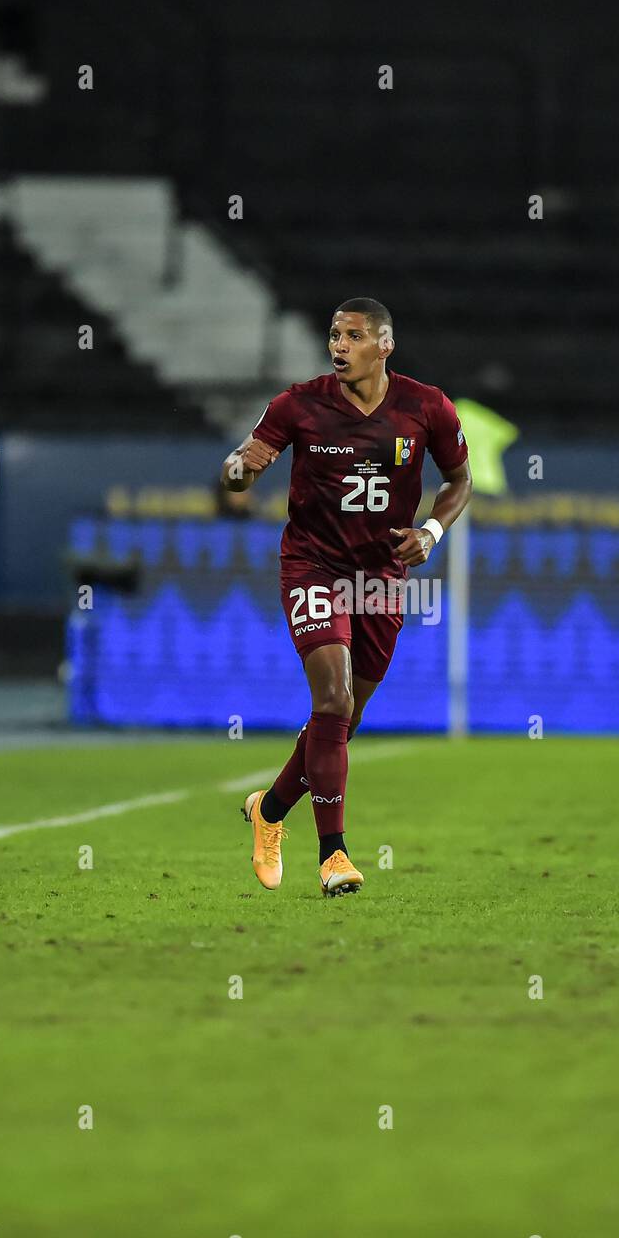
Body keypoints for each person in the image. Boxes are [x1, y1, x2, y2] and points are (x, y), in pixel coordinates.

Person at [220, 298, 472, 896]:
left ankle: (270, 809)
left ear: (384, 345)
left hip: (380, 577)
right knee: (330, 698)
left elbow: (459, 480)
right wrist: (238, 469)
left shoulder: (426, 406)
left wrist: (430, 532)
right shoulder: (298, 404)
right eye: (333, 335)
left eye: (352, 336)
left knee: (344, 719)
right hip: (312, 565)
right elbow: (246, 459)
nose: (338, 346)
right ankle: (333, 854)